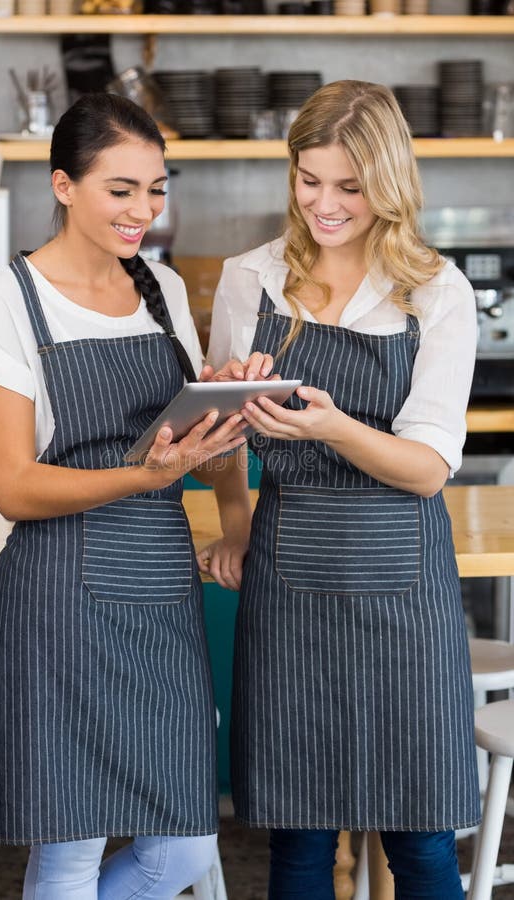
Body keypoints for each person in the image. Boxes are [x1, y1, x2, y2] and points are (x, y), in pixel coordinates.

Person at [0, 92, 248, 899]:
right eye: (121, 189)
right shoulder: (9, 301)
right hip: (58, 599)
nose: (143, 209)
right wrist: (146, 475)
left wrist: (225, 417)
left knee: (183, 849)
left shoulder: (164, 290)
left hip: (158, 591)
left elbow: (196, 453)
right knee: (73, 848)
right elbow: (13, 487)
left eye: (156, 188)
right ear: (64, 185)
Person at [201, 79, 480, 899]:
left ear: (387, 184)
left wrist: (332, 427)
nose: (324, 204)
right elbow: (219, 439)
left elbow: (426, 467)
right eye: (308, 179)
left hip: (403, 586)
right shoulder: (250, 279)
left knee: (422, 841)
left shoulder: (435, 292)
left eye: (349, 187)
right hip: (289, 582)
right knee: (300, 840)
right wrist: (236, 515)